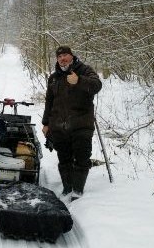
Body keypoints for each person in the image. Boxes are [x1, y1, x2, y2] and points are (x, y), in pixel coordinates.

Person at [41, 45, 102, 201]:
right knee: (64, 159)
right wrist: (46, 123)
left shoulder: (84, 70)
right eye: (59, 56)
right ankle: (67, 189)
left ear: (72, 56)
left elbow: (97, 85)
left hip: (81, 125)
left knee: (82, 159)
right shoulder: (54, 78)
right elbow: (49, 101)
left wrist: (79, 81)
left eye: (65, 55)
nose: (63, 59)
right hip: (59, 126)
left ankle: (77, 192)